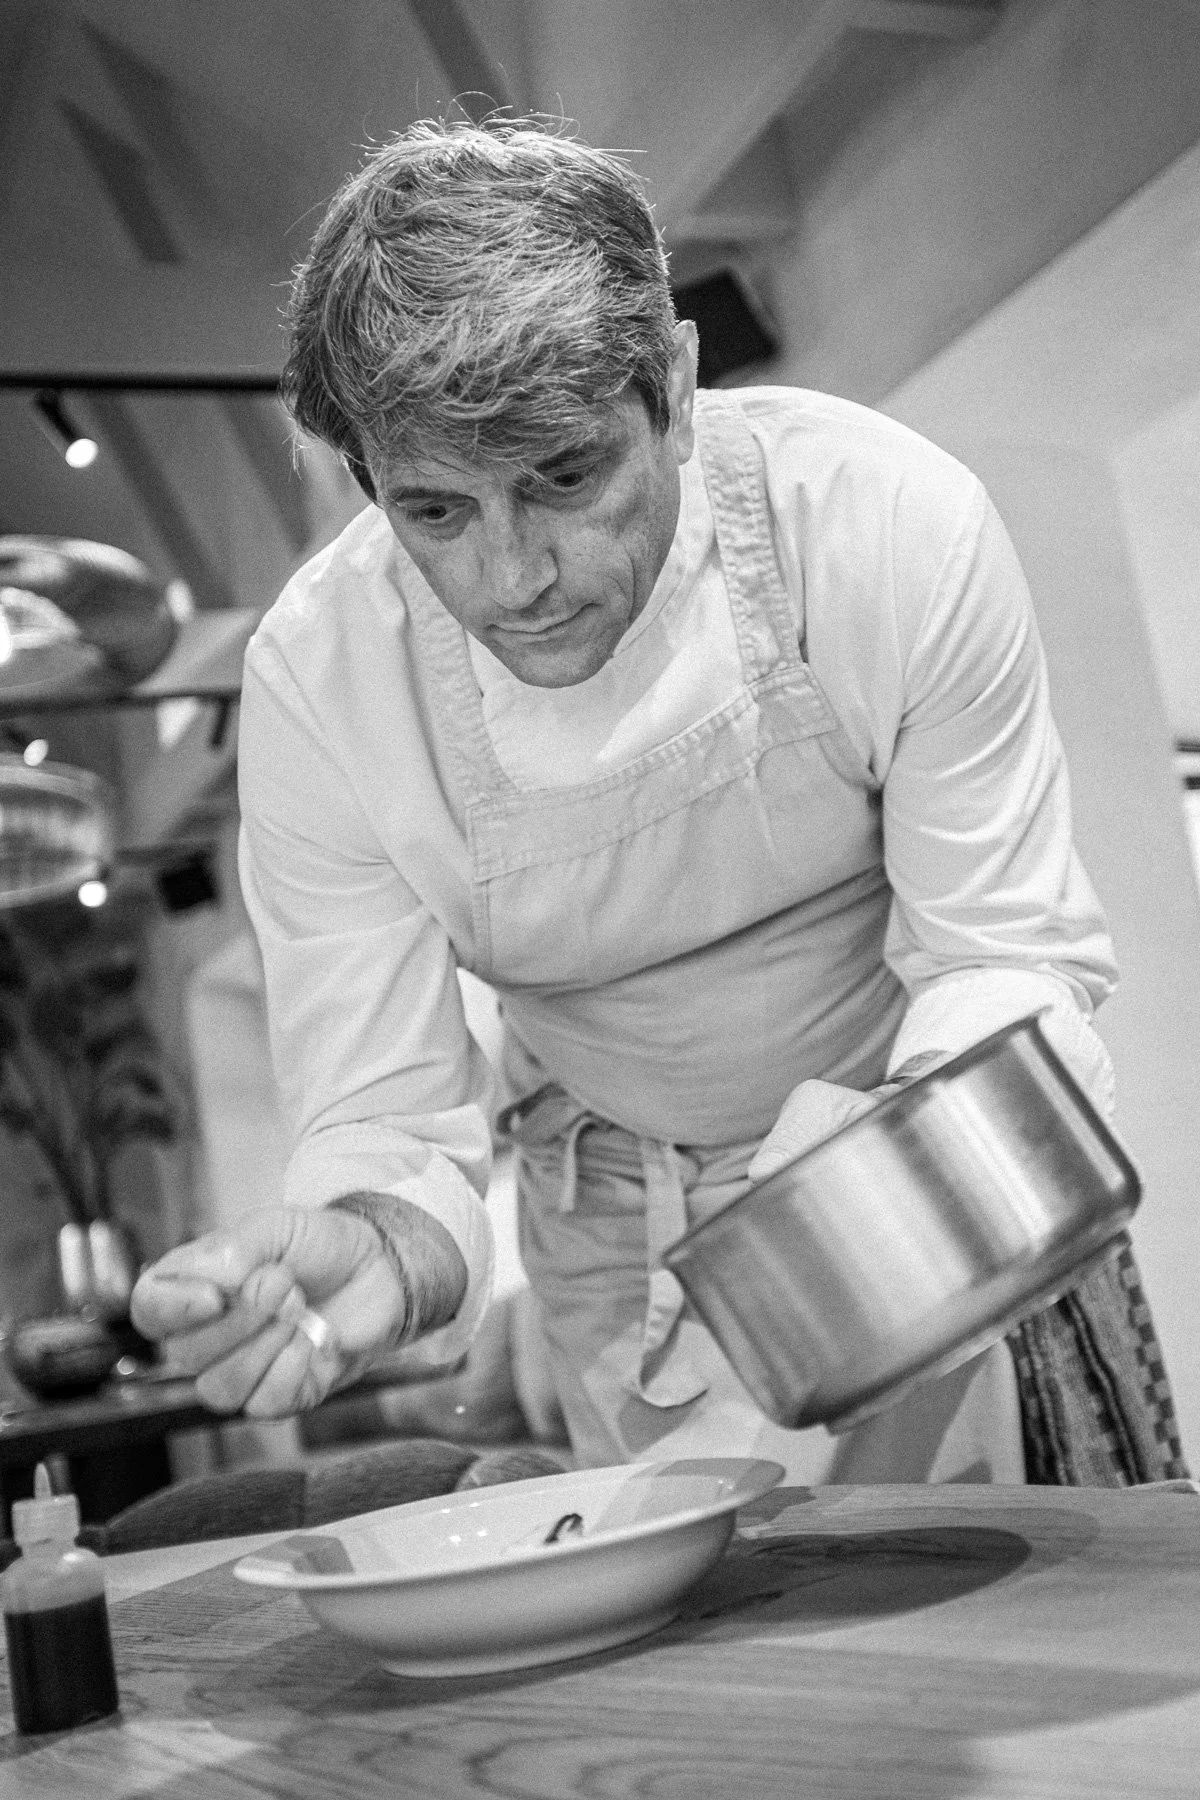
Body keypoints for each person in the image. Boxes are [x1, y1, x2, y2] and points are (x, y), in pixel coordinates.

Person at [132, 120, 1187, 1486]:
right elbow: (389, 1118)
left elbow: (999, 954)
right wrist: (380, 1245)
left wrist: (876, 1214)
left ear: (677, 390)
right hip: (607, 1221)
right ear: (367, 483)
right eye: (437, 513)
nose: (515, 578)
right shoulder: (324, 685)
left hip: (912, 1166)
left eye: (567, 478)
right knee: (682, 1601)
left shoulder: (879, 526)